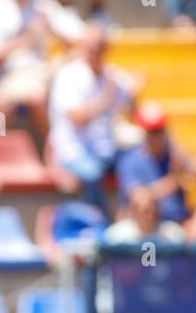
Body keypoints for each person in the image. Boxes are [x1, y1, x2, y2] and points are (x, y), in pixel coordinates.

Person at [0, 0, 85, 141]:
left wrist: (64, 49)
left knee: (38, 97)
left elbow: (80, 37)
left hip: (41, 71)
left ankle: (57, 151)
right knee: (2, 105)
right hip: (7, 74)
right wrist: (28, 38)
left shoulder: (44, 6)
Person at [48, 26, 137, 212]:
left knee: (136, 161)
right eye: (89, 47)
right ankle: (99, 227)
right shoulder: (68, 76)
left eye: (97, 47)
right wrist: (106, 99)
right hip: (74, 152)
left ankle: (128, 219)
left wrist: (136, 92)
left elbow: (130, 107)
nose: (93, 52)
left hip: (107, 150)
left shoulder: (113, 75)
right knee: (92, 174)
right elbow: (77, 117)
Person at [114, 103, 196, 241]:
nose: (156, 136)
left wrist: (189, 168)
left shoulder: (174, 154)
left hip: (177, 223)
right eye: (152, 131)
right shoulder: (131, 161)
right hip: (145, 226)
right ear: (144, 132)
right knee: (120, 238)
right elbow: (141, 198)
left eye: (159, 130)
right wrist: (175, 180)